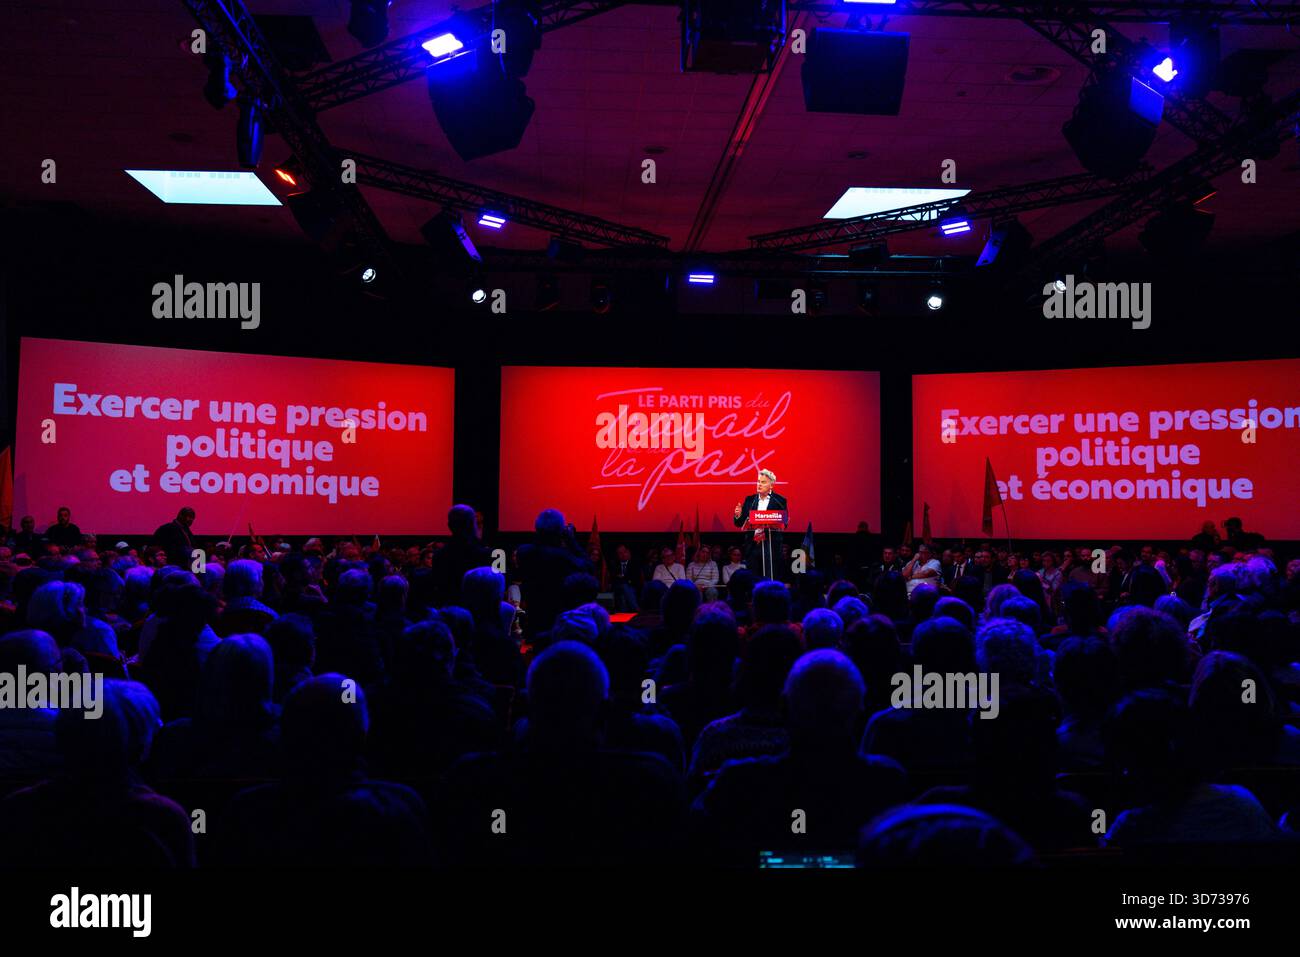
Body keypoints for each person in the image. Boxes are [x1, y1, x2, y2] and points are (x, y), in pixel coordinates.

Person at [429, 504, 492, 607]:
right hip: (479, 612)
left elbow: (438, 587)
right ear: (473, 524)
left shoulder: (439, 555)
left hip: (448, 612)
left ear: (449, 525)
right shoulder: (488, 554)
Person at [733, 468, 787, 578]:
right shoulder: (750, 500)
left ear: (771, 485)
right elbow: (740, 523)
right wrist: (738, 515)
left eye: (763, 482)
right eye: (758, 481)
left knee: (770, 576)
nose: (759, 484)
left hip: (771, 546)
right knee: (753, 577)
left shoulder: (779, 500)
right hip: (753, 546)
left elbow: (784, 522)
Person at [607, 543, 641, 612]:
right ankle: (636, 610)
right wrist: (625, 579)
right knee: (623, 587)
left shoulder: (635, 563)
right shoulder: (614, 564)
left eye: (624, 552)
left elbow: (635, 579)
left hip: (632, 587)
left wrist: (623, 578)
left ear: (628, 552)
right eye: (620, 553)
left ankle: (623, 614)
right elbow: (613, 578)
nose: (622, 554)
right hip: (617, 587)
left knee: (623, 593)